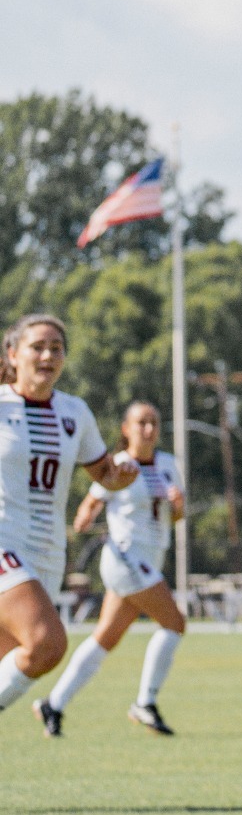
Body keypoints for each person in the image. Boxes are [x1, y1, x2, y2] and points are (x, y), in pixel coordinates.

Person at [0, 315, 139, 729]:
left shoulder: (74, 412)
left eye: (56, 348)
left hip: (47, 554)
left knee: (16, 657)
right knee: (47, 644)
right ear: (13, 354)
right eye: (37, 346)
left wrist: (122, 476)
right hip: (4, 543)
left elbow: (103, 474)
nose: (48, 355)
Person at [35, 401, 185, 737]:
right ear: (126, 429)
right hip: (126, 557)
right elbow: (91, 502)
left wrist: (178, 507)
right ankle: (145, 703)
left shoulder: (168, 465)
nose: (149, 429)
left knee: (105, 637)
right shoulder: (120, 464)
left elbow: (176, 517)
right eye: (141, 422)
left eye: (154, 423)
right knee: (174, 623)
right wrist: (84, 518)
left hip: (153, 557)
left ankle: (53, 704)